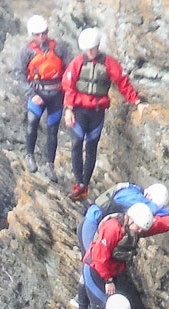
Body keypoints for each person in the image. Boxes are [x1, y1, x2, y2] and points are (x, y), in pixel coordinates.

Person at [61, 27, 141, 200]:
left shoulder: (109, 63)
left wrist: (136, 101)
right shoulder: (77, 62)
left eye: (93, 48)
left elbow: (122, 82)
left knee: (91, 147)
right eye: (87, 49)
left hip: (97, 113)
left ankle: (84, 186)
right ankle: (78, 183)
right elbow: (69, 87)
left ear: (98, 46)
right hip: (80, 111)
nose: (90, 52)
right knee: (76, 144)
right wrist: (68, 109)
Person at [78, 201, 169, 309]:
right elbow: (99, 257)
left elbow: (160, 225)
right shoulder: (112, 229)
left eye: (141, 229)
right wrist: (108, 281)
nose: (140, 232)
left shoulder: (134, 228)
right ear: (130, 220)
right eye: (138, 228)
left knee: (108, 308)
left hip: (110, 272)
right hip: (95, 271)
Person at [14, 16, 65, 174]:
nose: (41, 37)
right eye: (38, 34)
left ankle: (50, 164)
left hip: (56, 95)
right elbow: (19, 73)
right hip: (37, 93)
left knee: (53, 131)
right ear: (32, 34)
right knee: (32, 124)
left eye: (44, 33)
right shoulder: (26, 51)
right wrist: (31, 93)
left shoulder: (59, 48)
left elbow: (70, 69)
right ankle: (29, 155)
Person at [80, 181, 169, 255]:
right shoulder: (133, 196)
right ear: (149, 196)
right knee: (92, 260)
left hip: (91, 222)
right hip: (91, 224)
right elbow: (154, 209)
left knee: (89, 265)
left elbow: (155, 204)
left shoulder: (135, 190)